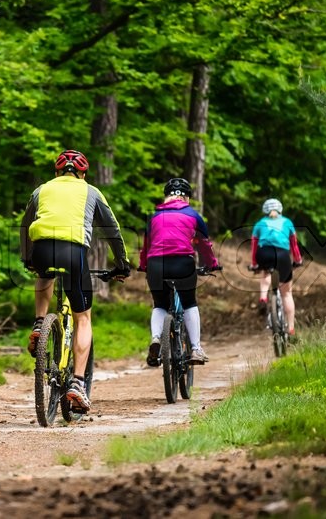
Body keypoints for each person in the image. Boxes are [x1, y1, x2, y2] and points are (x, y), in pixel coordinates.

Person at [20, 149, 131, 413]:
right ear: (82, 173)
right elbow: (112, 229)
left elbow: (25, 225)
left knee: (44, 272)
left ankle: (39, 323)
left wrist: (28, 259)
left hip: (42, 248)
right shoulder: (91, 191)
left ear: (57, 172)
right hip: (73, 252)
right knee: (83, 318)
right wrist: (122, 264)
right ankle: (78, 383)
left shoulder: (41, 189)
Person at [139, 178, 221, 367]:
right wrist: (211, 264)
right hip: (183, 263)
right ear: (186, 197)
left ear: (166, 196)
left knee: (159, 304)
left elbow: (146, 246)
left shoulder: (153, 217)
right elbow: (204, 245)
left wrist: (144, 266)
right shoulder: (193, 215)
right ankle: (196, 348)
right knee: (189, 302)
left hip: (156, 265)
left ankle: (156, 339)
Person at [249, 198, 303, 337]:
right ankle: (290, 327)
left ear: (264, 211)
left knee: (266, 273)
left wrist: (254, 264)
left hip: (264, 253)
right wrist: (298, 260)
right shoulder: (287, 222)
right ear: (280, 210)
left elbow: (254, 246)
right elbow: (294, 245)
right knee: (286, 293)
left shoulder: (260, 224)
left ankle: (263, 297)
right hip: (282, 255)